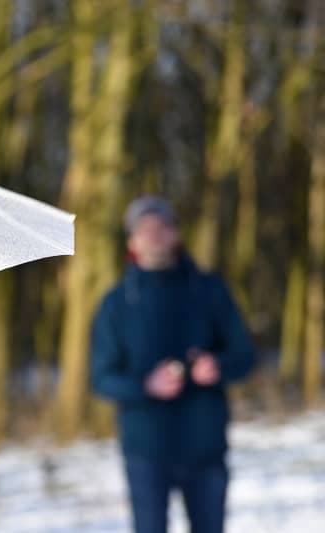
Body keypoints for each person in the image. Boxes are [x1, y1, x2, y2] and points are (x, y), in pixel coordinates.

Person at [90, 195, 255, 533]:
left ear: (176, 234)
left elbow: (245, 356)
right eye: (145, 228)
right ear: (132, 241)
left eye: (162, 226)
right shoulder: (116, 303)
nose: (155, 235)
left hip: (205, 443)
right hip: (146, 449)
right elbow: (101, 377)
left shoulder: (210, 291)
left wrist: (217, 366)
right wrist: (144, 386)